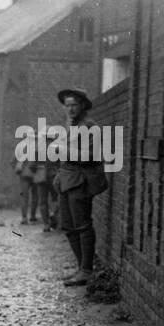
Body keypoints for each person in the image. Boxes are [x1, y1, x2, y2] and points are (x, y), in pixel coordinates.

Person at [52, 86, 107, 286]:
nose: (71, 109)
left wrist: (62, 149)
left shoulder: (91, 127)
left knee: (83, 225)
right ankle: (80, 268)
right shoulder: (71, 126)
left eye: (74, 105)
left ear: (83, 105)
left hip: (81, 181)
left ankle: (86, 270)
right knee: (67, 226)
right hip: (66, 180)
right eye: (67, 105)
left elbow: (90, 156)